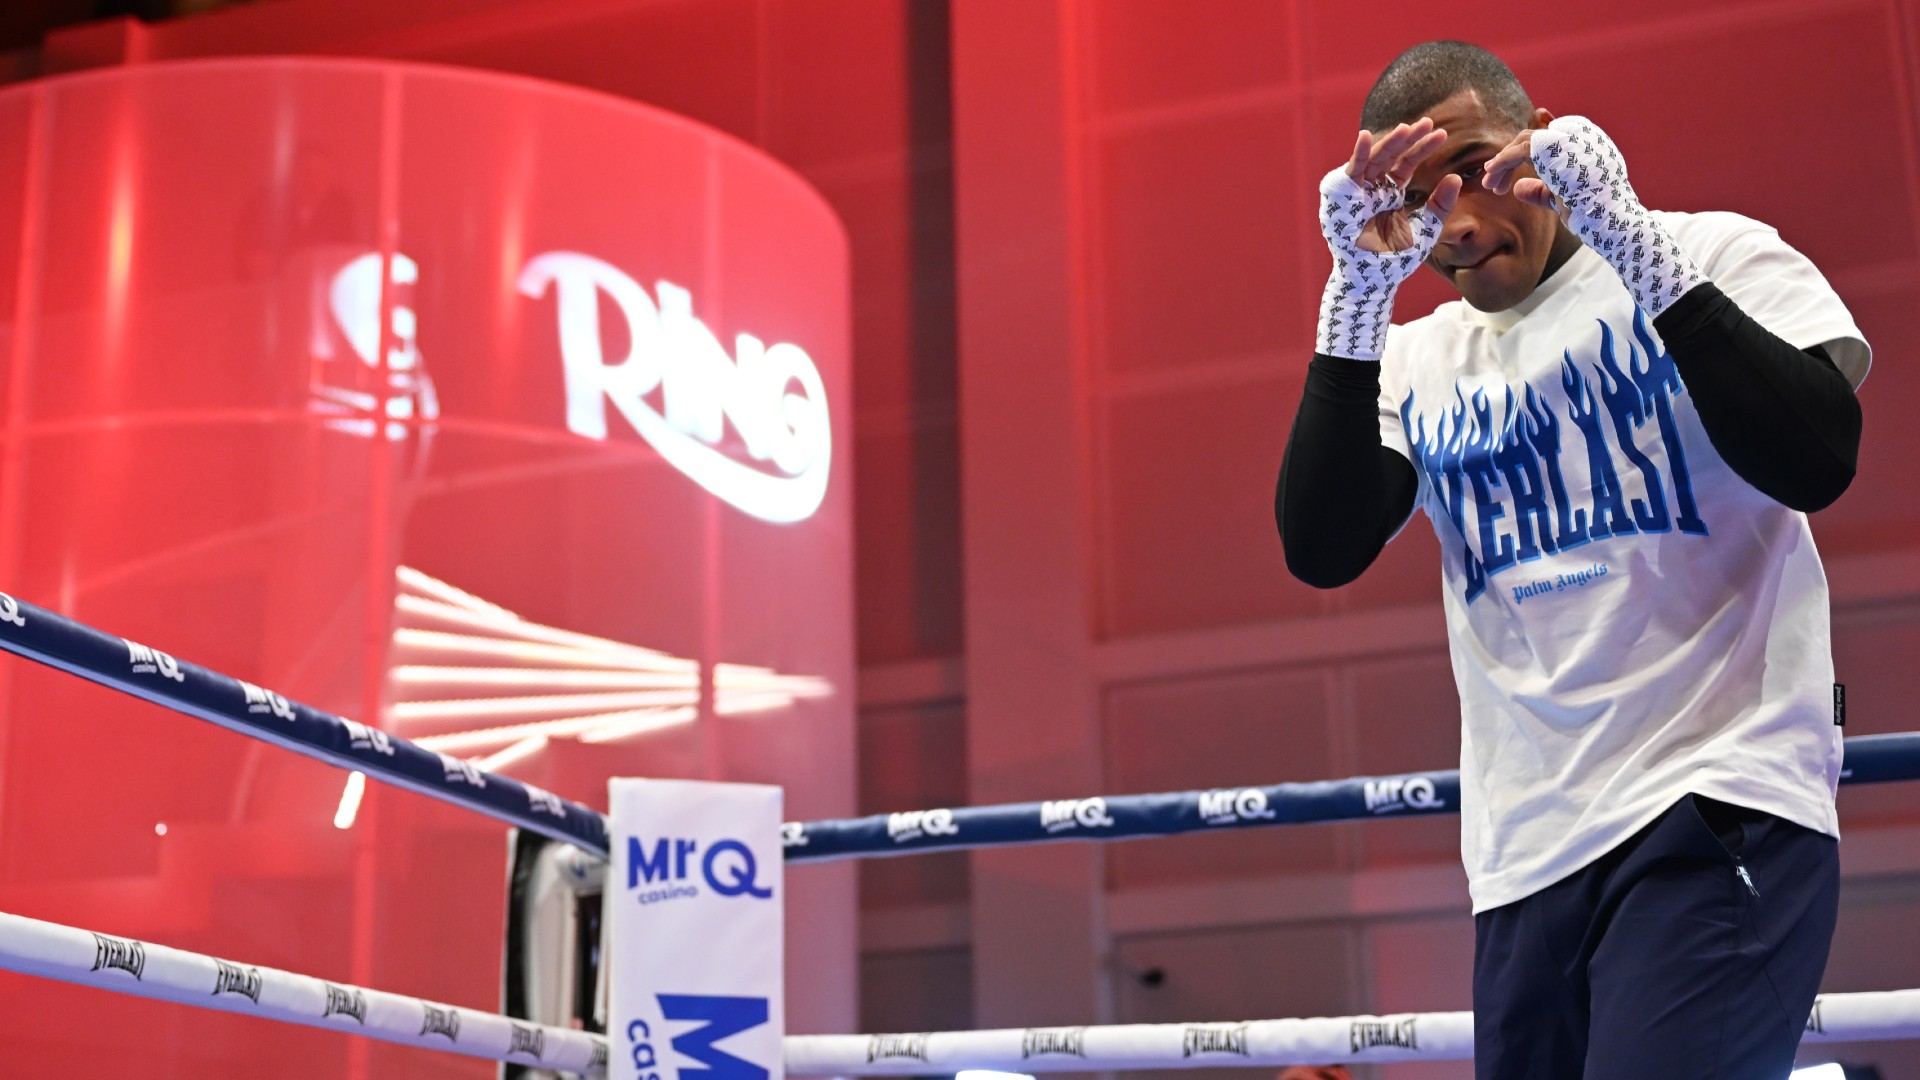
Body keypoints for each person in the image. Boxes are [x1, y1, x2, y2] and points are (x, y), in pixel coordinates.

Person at [1274, 41, 1869, 1079]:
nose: (1452, 221)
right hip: (1525, 856)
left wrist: (1628, 241)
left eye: (1469, 168)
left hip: (1717, 802)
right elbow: (1321, 551)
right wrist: (1356, 293)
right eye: (1417, 199)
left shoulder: (1713, 254)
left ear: (1536, 136)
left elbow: (1816, 459)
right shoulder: (1414, 359)